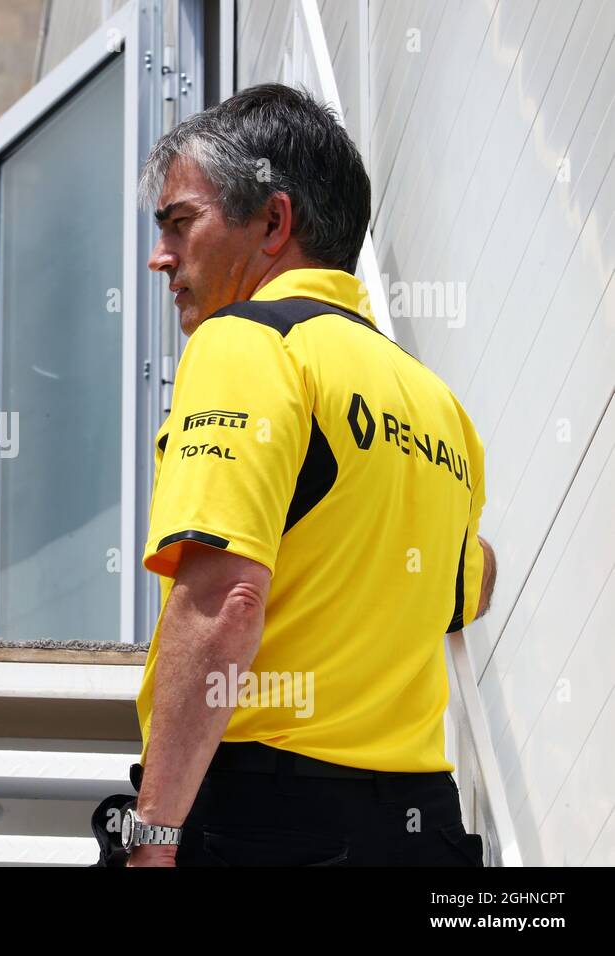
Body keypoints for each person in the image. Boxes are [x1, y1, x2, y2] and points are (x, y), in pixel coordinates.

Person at [119, 84, 497, 866]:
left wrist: (153, 836)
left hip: (267, 822)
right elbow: (470, 584)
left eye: (180, 223)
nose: (161, 256)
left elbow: (227, 598)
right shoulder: (438, 408)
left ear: (273, 223)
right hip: (424, 830)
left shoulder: (246, 344)